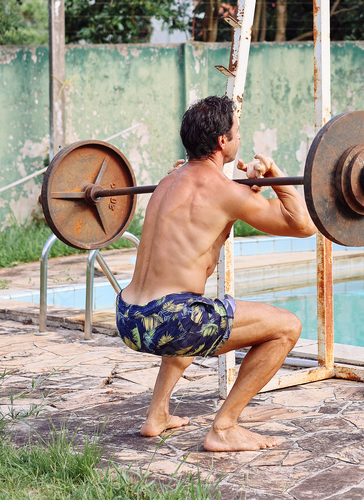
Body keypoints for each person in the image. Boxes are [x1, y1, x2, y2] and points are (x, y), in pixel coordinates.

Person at [116, 95, 317, 452]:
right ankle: (223, 428)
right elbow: (302, 225)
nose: (239, 137)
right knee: (287, 327)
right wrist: (273, 175)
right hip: (168, 320)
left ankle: (156, 416)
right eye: (236, 132)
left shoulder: (167, 182)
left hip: (129, 317)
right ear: (223, 142)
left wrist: (245, 189)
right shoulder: (224, 191)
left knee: (190, 311)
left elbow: (208, 214)